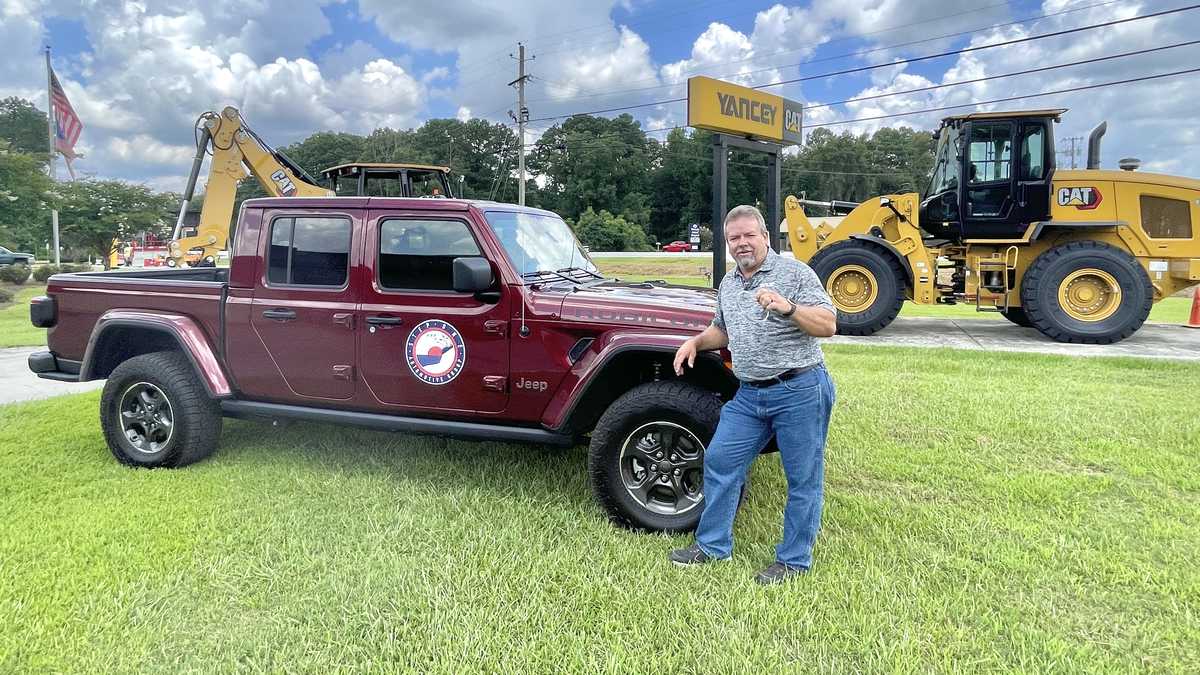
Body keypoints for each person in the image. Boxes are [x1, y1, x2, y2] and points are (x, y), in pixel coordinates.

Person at [669, 204, 837, 585]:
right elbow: (722, 331)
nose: (741, 243)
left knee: (803, 479)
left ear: (765, 236)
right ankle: (712, 546)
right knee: (721, 461)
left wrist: (788, 307)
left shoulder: (794, 273)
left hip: (799, 389)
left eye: (748, 235)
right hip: (749, 395)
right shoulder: (730, 283)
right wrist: (696, 342)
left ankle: (793, 561)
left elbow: (828, 324)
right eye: (733, 238)